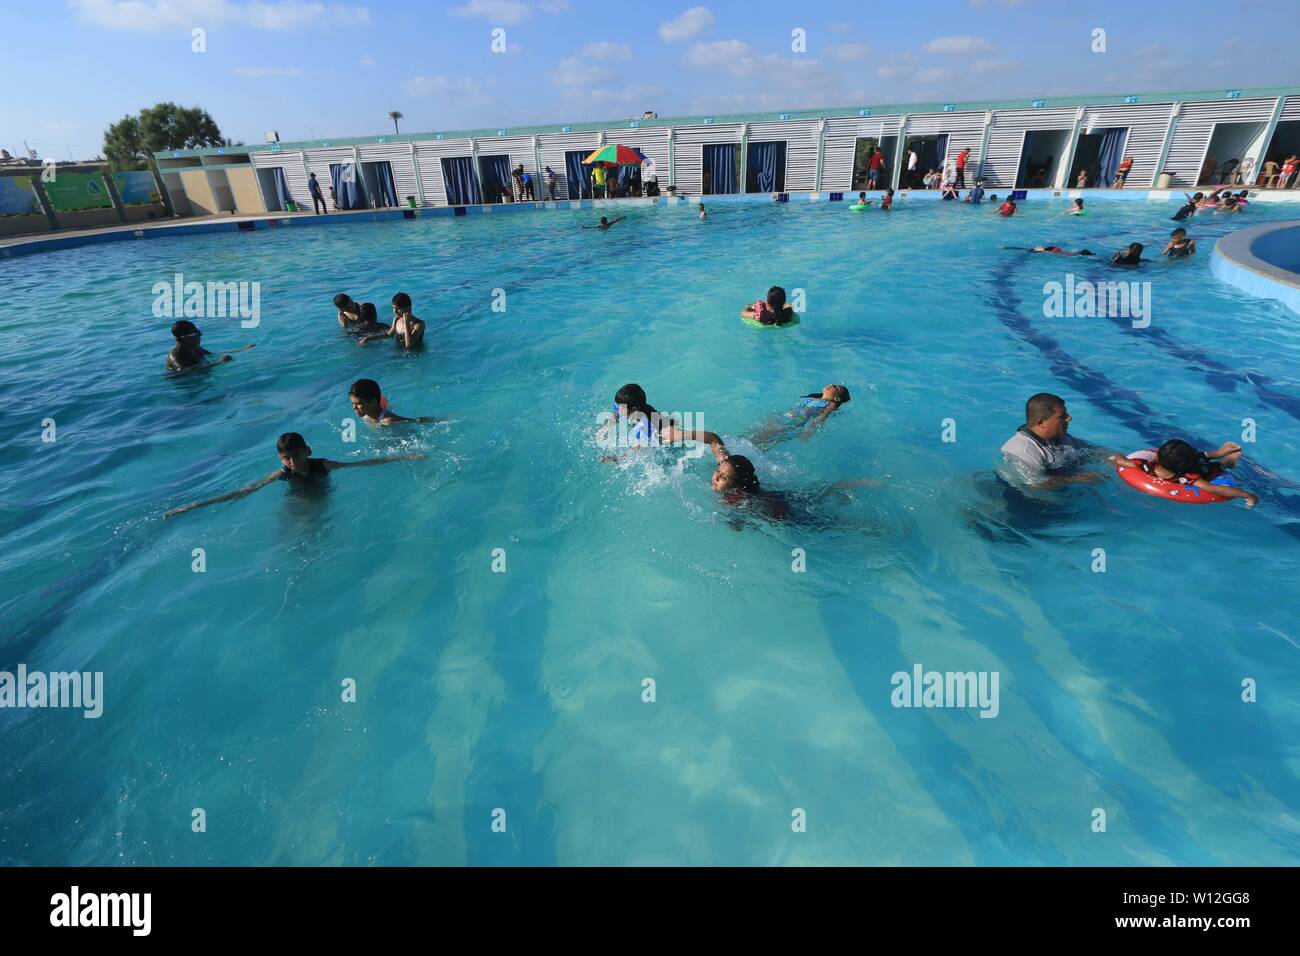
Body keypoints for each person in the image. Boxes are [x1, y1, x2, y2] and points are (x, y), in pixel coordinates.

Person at [163, 432, 424, 519]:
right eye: (285, 459)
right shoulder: (282, 474)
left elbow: (361, 464)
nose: (291, 462)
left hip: (320, 501)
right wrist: (194, 505)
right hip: (295, 503)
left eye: (295, 457)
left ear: (307, 451)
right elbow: (244, 491)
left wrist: (403, 457)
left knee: (312, 535)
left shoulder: (323, 464)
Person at [999, 393, 1114, 488]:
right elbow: (1036, 484)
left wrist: (1115, 458)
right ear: (1041, 423)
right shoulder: (1023, 451)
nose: (1069, 418)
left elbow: (1090, 451)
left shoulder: (1060, 436)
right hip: (1024, 500)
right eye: (1062, 416)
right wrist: (1078, 479)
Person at [597, 383, 728, 457]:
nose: (616, 409)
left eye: (617, 407)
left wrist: (617, 460)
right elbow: (618, 413)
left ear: (634, 408)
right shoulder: (636, 408)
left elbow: (636, 451)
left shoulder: (652, 426)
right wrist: (607, 425)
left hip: (668, 440)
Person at [1114, 440, 1257, 507]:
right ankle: (1223, 460)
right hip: (1196, 466)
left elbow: (1122, 461)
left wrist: (1115, 456)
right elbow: (1215, 488)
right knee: (1207, 467)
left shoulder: (1145, 465)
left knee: (1203, 463)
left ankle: (1222, 457)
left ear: (1157, 457)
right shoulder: (1187, 478)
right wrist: (1246, 494)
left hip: (1186, 465)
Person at [749, 385, 851, 446]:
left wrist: (809, 431)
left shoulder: (831, 404)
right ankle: (746, 443)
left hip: (796, 421)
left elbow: (824, 415)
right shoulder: (816, 398)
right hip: (786, 417)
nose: (832, 384)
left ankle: (749, 448)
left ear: (836, 398)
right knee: (761, 430)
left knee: (770, 436)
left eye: (836, 388)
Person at [166, 320, 253, 372]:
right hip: (186, 385)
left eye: (198, 332)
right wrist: (218, 363)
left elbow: (214, 355)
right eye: (196, 333)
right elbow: (185, 372)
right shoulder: (176, 354)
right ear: (184, 338)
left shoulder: (194, 348)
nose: (200, 335)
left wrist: (242, 349)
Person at [347, 378, 444, 426]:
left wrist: (438, 421)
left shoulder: (388, 421)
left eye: (358, 403)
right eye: (353, 403)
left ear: (373, 402)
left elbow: (414, 421)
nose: (353, 407)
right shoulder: (366, 414)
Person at [359, 292, 424, 348]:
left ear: (408, 308)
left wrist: (406, 323)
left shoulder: (419, 324)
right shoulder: (396, 319)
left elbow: (409, 345)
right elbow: (389, 334)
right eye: (393, 308)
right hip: (398, 352)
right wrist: (368, 338)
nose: (395, 311)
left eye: (398, 309)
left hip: (413, 358)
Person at [1005, 244, 1095, 256]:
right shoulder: (1049, 249)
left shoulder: (1046, 250)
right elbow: (1022, 248)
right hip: (1074, 253)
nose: (1037, 246)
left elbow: (1022, 248)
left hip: (1073, 254)